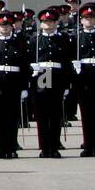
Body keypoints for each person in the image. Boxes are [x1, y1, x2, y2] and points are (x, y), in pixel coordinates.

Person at [30, 8, 73, 158]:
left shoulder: (63, 39)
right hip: (41, 77)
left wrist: (67, 85)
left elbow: (67, 63)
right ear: (40, 24)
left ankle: (54, 146)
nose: (48, 24)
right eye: (44, 21)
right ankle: (44, 147)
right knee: (42, 115)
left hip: (57, 77)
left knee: (55, 114)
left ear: (56, 23)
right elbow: (28, 60)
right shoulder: (35, 40)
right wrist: (32, 71)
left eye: (51, 21)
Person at [0, 11, 27, 157]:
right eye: (2, 25)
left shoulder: (19, 44)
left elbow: (24, 66)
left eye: (8, 25)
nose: (5, 28)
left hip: (14, 85)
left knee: (12, 118)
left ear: (12, 27)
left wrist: (24, 87)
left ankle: (12, 148)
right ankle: (0, 149)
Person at [74, 4, 95, 156]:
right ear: (81, 20)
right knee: (86, 114)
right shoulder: (76, 38)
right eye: (86, 18)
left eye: (92, 17)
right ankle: (88, 145)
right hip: (84, 79)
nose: (89, 20)